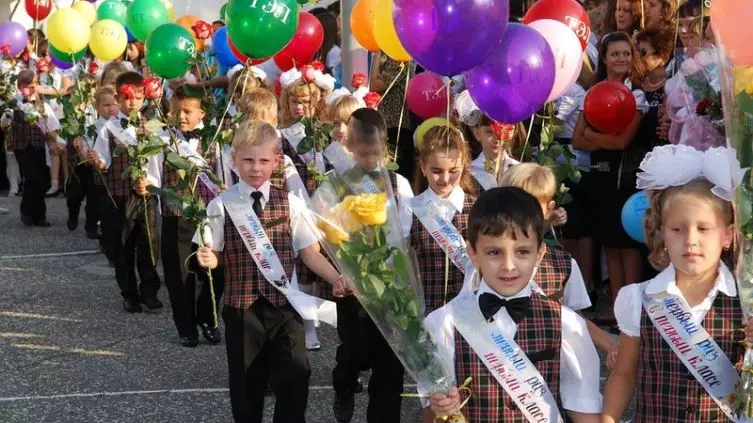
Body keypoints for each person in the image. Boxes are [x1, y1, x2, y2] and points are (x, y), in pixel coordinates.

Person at [195, 120, 347, 423]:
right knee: (246, 386)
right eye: (248, 160)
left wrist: (336, 277)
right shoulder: (221, 205)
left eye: (264, 161)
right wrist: (209, 259)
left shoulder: (290, 203)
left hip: (285, 307)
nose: (255, 168)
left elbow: (309, 252)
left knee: (296, 377)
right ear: (233, 159)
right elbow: (216, 254)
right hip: (242, 309)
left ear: (276, 161)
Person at [423, 187, 601, 422]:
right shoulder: (444, 322)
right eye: (495, 252)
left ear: (540, 254)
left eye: (522, 252)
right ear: (473, 253)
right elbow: (430, 415)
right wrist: (443, 408)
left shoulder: (567, 324)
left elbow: (584, 408)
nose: (509, 265)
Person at [602, 145, 745, 422]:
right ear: (663, 234)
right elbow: (623, 373)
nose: (690, 240)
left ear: (727, 236)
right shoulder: (638, 299)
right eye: (677, 229)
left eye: (704, 228)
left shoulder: (746, 303)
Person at [331, 108, 414, 423]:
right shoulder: (337, 184)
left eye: (377, 153)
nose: (370, 159)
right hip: (355, 284)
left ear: (386, 147)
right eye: (363, 153)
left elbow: (407, 232)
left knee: (390, 365)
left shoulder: (398, 183)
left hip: (392, 284)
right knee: (355, 353)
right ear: (350, 147)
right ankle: (344, 385)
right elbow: (331, 233)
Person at [573, 32, 648, 322]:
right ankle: (619, 313)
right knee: (610, 244)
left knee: (628, 245)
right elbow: (578, 141)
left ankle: (634, 313)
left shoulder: (637, 94)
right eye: (614, 53)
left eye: (626, 53)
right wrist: (599, 136)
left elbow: (622, 142)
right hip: (600, 177)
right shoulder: (592, 92)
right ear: (604, 58)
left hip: (625, 177)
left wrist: (593, 135)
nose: (621, 59)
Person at [160, 84, 225, 347]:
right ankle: (186, 326)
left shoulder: (215, 138)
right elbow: (154, 173)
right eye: (177, 111)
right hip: (177, 215)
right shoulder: (164, 140)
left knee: (214, 271)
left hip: (210, 215)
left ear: (203, 114)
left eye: (188, 111)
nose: (182, 116)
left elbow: (222, 173)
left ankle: (208, 318)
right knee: (180, 274)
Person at [95, 72, 163, 313]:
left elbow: (158, 162)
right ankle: (129, 294)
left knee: (149, 244)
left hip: (146, 195)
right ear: (118, 98)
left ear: (144, 97)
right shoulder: (109, 128)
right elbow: (102, 158)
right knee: (123, 245)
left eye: (137, 97)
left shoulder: (153, 126)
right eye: (126, 98)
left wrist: (151, 183)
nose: (131, 103)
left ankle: (149, 290)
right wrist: (98, 161)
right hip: (120, 195)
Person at [404, 125, 475, 314]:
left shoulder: (478, 210)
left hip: (472, 318)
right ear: (423, 167)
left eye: (453, 171)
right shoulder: (410, 209)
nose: (445, 179)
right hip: (428, 315)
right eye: (436, 171)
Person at [4, 69, 62, 227]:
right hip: (21, 147)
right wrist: (7, 118)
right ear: (19, 87)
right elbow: (4, 124)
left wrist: (56, 142)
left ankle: (39, 216)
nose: (30, 89)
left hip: (38, 146)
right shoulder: (14, 104)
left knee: (42, 180)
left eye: (33, 85)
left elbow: (52, 127)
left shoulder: (43, 105)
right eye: (26, 86)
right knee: (32, 178)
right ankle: (26, 210)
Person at [68, 87, 119, 239]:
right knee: (80, 196)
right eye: (106, 105)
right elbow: (85, 151)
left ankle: (94, 226)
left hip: (108, 170)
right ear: (97, 107)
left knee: (98, 200)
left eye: (114, 104)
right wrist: (80, 150)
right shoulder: (92, 127)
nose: (111, 108)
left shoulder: (120, 125)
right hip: (89, 168)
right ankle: (76, 216)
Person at [454, 90, 521, 195]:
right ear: (477, 133)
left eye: (503, 131)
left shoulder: (519, 170)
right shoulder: (469, 173)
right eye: (489, 132)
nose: (496, 138)